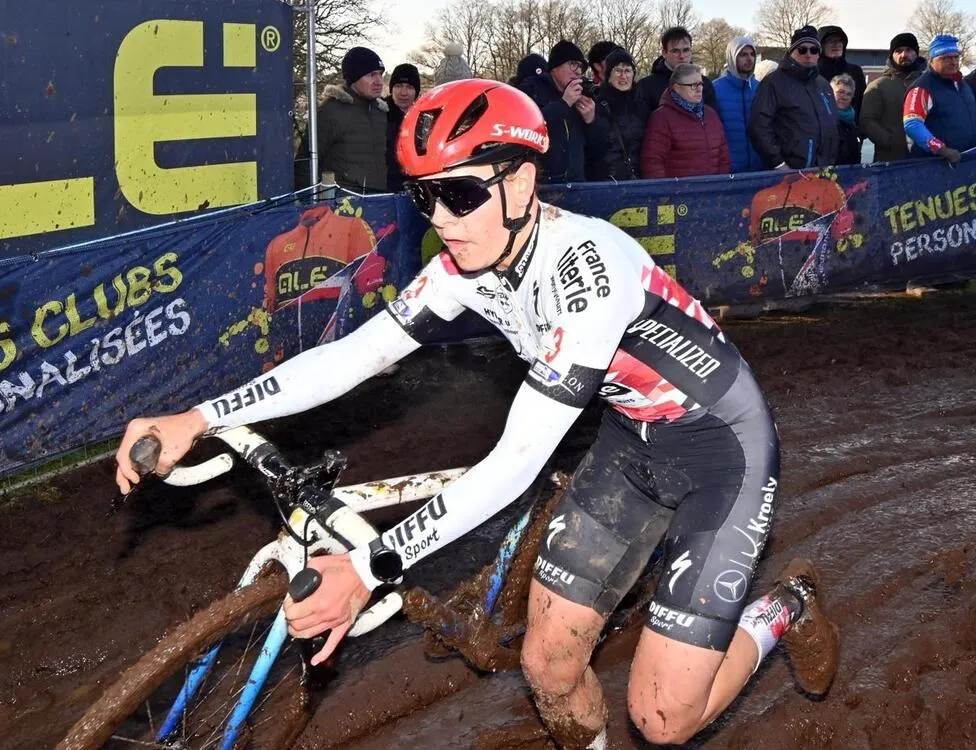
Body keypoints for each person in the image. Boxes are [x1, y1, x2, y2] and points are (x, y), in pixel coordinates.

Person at [114, 79, 839, 750]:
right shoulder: (465, 263)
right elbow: (352, 358)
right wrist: (199, 417)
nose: (440, 220)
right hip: (630, 438)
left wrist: (368, 568)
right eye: (423, 198)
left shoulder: (589, 270)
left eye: (459, 195)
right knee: (550, 666)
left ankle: (785, 610)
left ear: (520, 182)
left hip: (721, 449)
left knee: (661, 719)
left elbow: (514, 465)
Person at [293, 46, 388, 193]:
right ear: (354, 77)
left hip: (380, 202)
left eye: (381, 74)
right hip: (342, 205)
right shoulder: (330, 111)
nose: (379, 81)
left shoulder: (381, 113)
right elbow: (305, 163)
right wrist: (312, 204)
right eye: (371, 75)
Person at [749, 26, 839, 170]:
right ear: (792, 52)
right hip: (789, 173)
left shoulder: (823, 85)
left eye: (813, 50)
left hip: (822, 171)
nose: (808, 54)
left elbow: (833, 124)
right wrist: (778, 163)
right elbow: (759, 126)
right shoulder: (774, 82)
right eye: (802, 50)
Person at [519, 40, 610, 183]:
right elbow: (527, 130)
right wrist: (563, 103)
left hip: (577, 185)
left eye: (581, 67)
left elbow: (600, 150)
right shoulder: (531, 90)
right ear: (555, 67)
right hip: (542, 186)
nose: (578, 71)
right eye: (573, 64)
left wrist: (592, 121)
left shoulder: (585, 94)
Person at [641, 64, 732, 178]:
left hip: (713, 190)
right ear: (677, 87)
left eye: (700, 84)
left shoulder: (711, 114)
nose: (699, 89)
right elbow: (652, 161)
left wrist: (721, 184)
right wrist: (665, 193)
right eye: (693, 85)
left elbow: (723, 155)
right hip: (679, 193)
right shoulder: (662, 118)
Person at [903, 34, 976, 164]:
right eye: (946, 58)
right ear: (932, 60)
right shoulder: (922, 87)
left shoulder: (961, 84)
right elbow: (912, 125)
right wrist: (942, 149)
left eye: (955, 57)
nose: (953, 62)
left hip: (966, 162)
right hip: (936, 165)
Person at [860, 33, 927, 163]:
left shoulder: (928, 84)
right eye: (898, 51)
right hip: (889, 161)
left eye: (908, 50)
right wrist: (890, 141)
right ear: (892, 54)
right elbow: (867, 120)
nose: (904, 55)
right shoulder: (878, 86)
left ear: (916, 53)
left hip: (926, 159)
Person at [634, 26, 719, 125]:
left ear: (691, 51)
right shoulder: (646, 86)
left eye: (686, 50)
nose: (682, 56)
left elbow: (713, 124)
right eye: (675, 51)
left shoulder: (705, 84)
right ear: (664, 53)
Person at [586, 48, 643, 180]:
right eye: (618, 70)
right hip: (607, 182)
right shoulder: (596, 105)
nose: (623, 76)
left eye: (628, 70)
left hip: (638, 181)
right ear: (608, 75)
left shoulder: (642, 104)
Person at [713, 35, 764, 172]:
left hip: (759, 169)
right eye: (743, 54)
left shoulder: (761, 89)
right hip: (728, 170)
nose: (749, 59)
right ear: (732, 57)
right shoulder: (715, 89)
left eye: (752, 54)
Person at [817, 26, 867, 122]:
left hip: (850, 130)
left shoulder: (855, 71)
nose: (836, 44)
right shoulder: (813, 73)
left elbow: (862, 105)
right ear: (821, 45)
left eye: (840, 41)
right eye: (831, 41)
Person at [385, 63, 421, 192]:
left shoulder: (424, 117)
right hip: (386, 188)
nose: (403, 92)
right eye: (398, 86)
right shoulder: (378, 114)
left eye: (409, 87)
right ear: (391, 88)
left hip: (417, 187)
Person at [831, 74, 862, 165]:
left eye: (849, 94)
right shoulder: (823, 120)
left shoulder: (852, 124)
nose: (844, 97)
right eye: (840, 92)